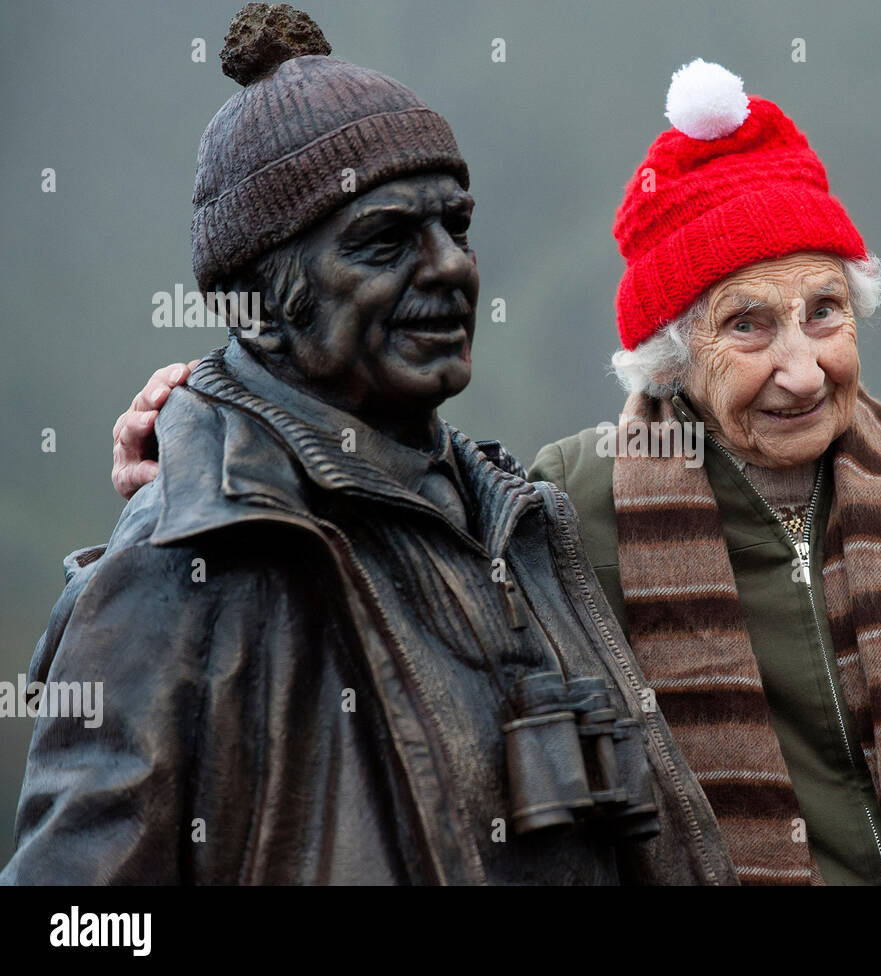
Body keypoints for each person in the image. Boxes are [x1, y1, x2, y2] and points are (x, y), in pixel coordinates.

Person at [110, 59, 881, 885]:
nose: (805, 370)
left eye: (826, 311)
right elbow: (379, 531)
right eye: (748, 327)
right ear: (671, 353)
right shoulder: (564, 511)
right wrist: (216, 430)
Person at [1, 5, 733, 886]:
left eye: (455, 226)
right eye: (385, 241)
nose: (452, 266)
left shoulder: (521, 519)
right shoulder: (181, 560)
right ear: (259, 302)